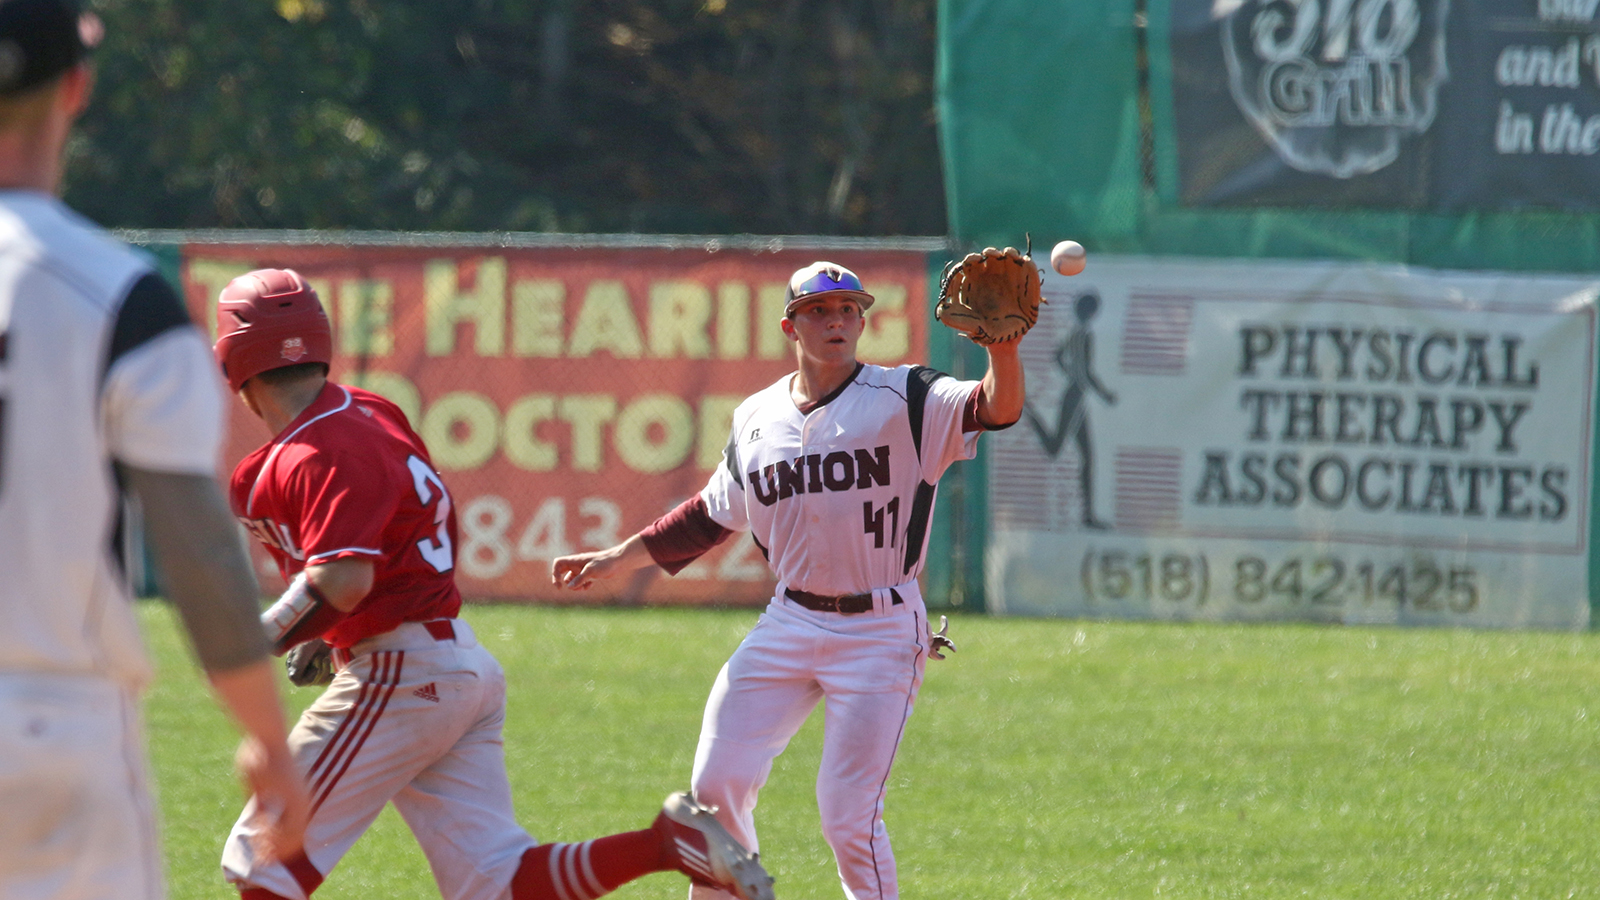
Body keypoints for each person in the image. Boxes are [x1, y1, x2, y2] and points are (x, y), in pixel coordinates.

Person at [212, 269, 775, 900]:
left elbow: (343, 577)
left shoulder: (310, 449)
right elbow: (391, 536)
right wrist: (327, 633)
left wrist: (256, 636)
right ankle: (665, 844)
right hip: (456, 663)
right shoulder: (365, 410)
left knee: (265, 863)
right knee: (497, 882)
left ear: (233, 362)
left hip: (401, 673)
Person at [551, 260, 1026, 900]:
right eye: (819, 311)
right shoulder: (756, 415)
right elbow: (711, 514)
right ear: (790, 326)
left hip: (881, 628)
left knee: (847, 816)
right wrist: (618, 557)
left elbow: (996, 408)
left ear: (862, 320)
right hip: (790, 621)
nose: (836, 321)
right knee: (714, 791)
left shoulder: (909, 395)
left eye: (848, 310)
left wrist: (1004, 349)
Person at [0, 1, 309, 897]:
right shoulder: (121, 299)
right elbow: (199, 551)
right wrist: (265, 734)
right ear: (76, 89)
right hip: (54, 725)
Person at [1021, 290, 1116, 529]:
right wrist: (1104, 394)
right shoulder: (1084, 335)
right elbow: (1085, 372)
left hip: (1076, 398)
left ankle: (1088, 516)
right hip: (1075, 398)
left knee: (1087, 457)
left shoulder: (1076, 333)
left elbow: (1059, 357)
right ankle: (1026, 409)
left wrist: (1072, 375)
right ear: (1091, 312)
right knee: (1057, 448)